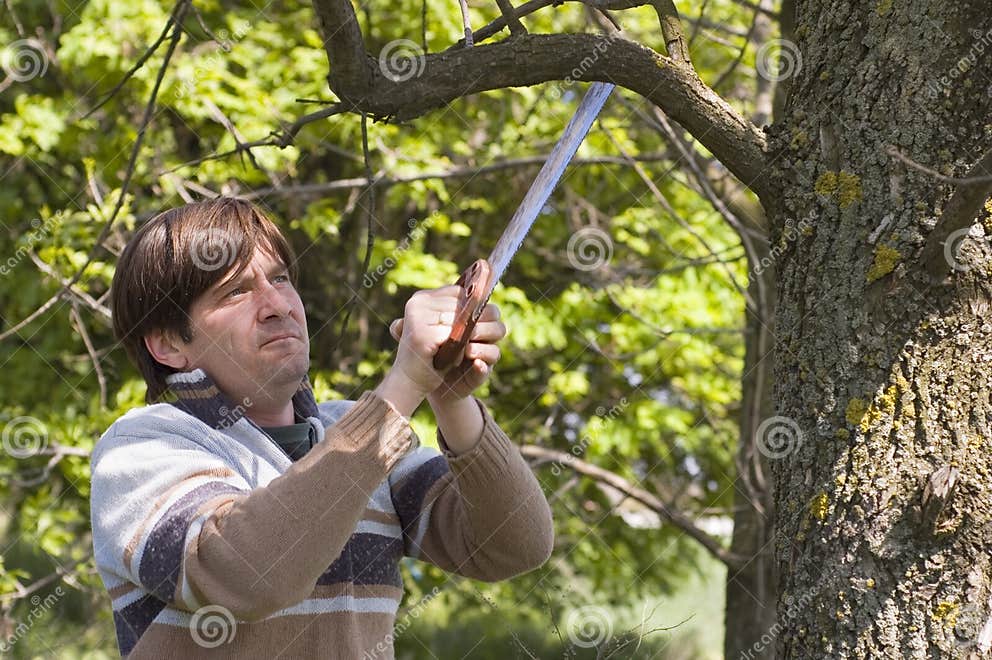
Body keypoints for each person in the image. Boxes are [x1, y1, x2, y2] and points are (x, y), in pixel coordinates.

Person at [89, 197, 554, 658]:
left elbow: (515, 545)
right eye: (235, 291)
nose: (277, 305)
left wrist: (450, 397)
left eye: (280, 279)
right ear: (169, 345)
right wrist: (406, 383)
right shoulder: (143, 448)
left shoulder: (355, 434)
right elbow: (246, 575)